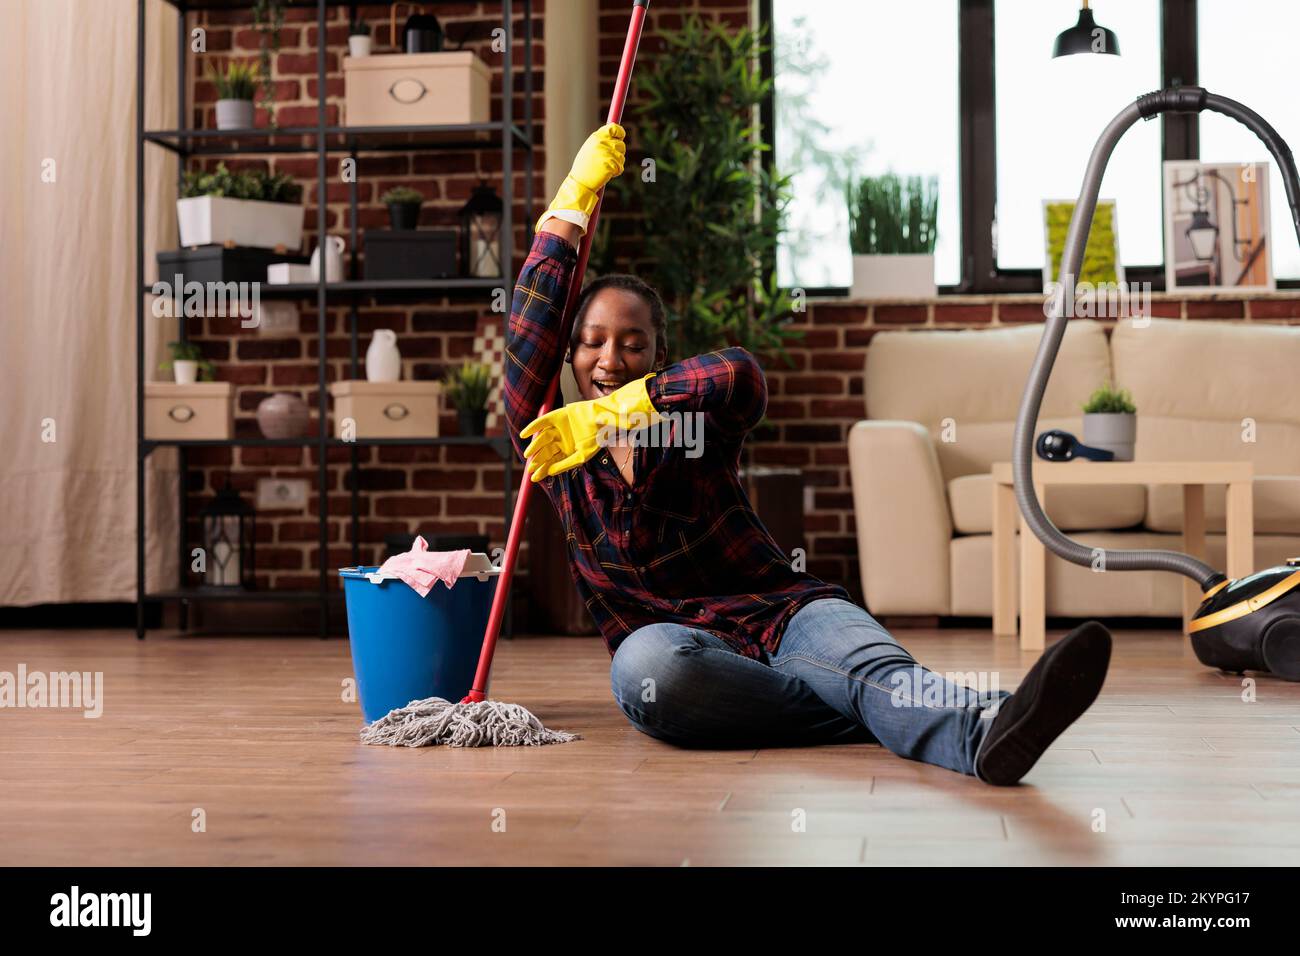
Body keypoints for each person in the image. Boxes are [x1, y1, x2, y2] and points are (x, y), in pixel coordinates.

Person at [503, 123, 1112, 785]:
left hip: (786, 612)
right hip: (673, 647)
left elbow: (741, 375)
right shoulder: (554, 450)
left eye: (632, 343)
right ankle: (876, 708)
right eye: (591, 342)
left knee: (870, 666)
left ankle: (984, 732)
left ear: (658, 359)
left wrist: (625, 409)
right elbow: (527, 336)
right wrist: (571, 203)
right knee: (652, 675)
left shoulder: (690, 421)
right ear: (571, 355)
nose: (609, 359)